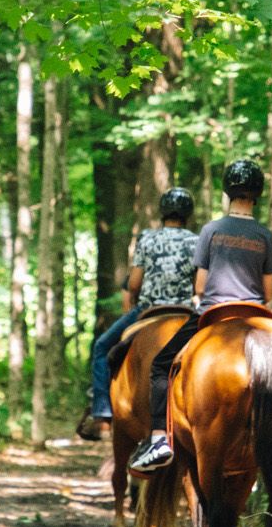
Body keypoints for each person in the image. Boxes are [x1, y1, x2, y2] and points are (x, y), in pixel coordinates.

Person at [127, 159, 272, 475]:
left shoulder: (211, 230)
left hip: (214, 312)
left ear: (227, 192)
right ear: (258, 194)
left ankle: (158, 440)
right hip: (256, 312)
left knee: (161, 365)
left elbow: (200, 285)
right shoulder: (264, 235)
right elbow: (269, 291)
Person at [78, 188, 197, 440]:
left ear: (162, 212)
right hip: (186, 313)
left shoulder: (147, 239)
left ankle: (102, 415)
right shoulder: (196, 242)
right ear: (188, 214)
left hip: (150, 310)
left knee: (101, 347)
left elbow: (133, 285)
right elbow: (200, 284)